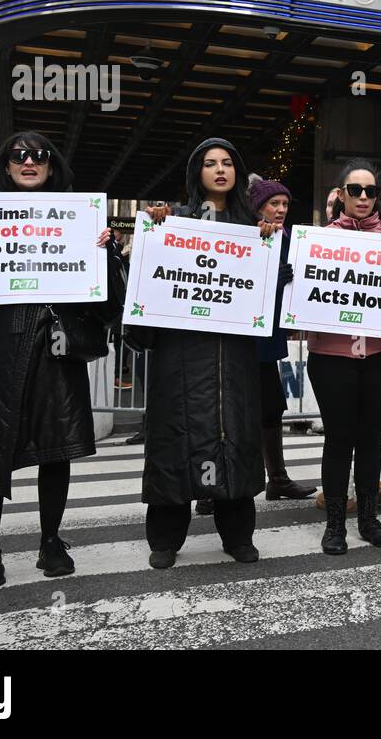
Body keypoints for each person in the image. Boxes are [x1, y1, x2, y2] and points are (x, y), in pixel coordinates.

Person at [0, 132, 124, 588]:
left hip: (53, 349)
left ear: (52, 166)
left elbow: (106, 302)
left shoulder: (79, 222)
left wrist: (105, 255)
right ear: (6, 166)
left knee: (57, 448)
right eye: (19, 156)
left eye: (40, 155)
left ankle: (51, 540)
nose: (30, 161)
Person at [132, 138, 269, 568]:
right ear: (197, 173)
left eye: (228, 163)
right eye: (210, 163)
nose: (220, 170)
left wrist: (271, 244)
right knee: (176, 440)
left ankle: (237, 536)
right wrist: (155, 228)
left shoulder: (254, 229)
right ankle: (166, 539)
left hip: (234, 358)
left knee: (235, 438)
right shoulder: (175, 222)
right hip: (181, 357)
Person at [305, 159, 381, 555]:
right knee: (338, 438)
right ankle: (335, 524)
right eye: (356, 190)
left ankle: (368, 518)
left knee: (370, 438)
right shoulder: (319, 240)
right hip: (332, 355)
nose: (364, 197)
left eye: (371, 191)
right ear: (341, 194)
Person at [250, 177, 317, 500]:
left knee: (272, 408)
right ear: (258, 206)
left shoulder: (290, 239)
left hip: (268, 340)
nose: (280, 209)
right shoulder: (245, 237)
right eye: (273, 203)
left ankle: (276, 478)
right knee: (235, 412)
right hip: (243, 341)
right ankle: (214, 490)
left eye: (285, 204)